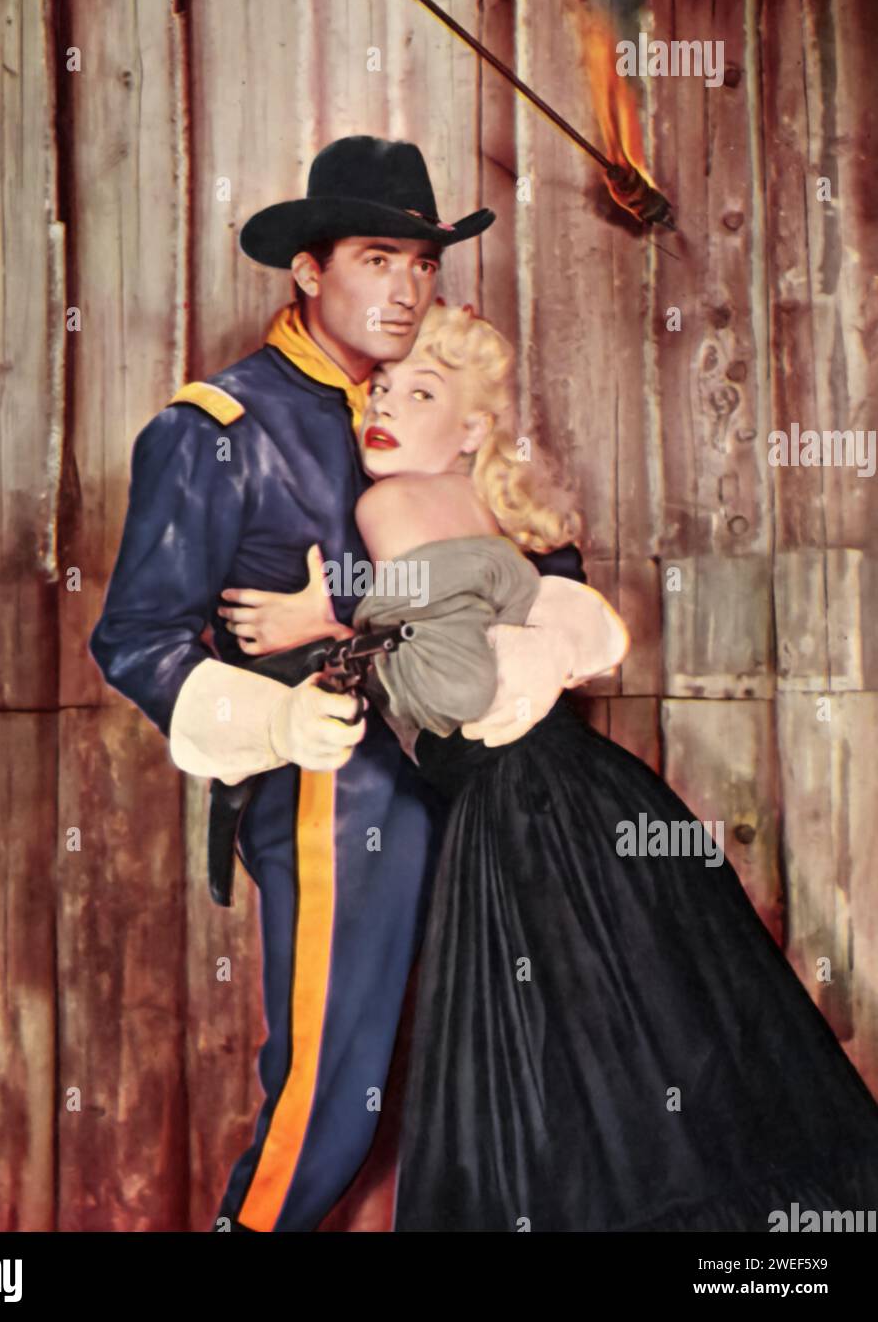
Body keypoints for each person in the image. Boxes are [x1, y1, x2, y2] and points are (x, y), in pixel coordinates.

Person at [88, 136, 626, 1233]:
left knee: (491, 1067)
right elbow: (137, 639)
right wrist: (277, 714)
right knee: (334, 1087)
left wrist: (549, 633)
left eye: (421, 264)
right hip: (342, 794)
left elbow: (522, 547)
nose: (405, 288)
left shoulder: (436, 383)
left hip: (488, 784)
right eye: (379, 258)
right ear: (308, 268)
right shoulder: (215, 432)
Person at [348, 302, 878, 1232]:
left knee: (554, 1073)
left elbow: (460, 695)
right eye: (377, 388)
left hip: (517, 815)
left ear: (472, 428)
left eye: (420, 391)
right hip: (598, 792)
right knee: (663, 1045)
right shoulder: (511, 524)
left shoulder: (387, 506)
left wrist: (334, 624)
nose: (382, 406)